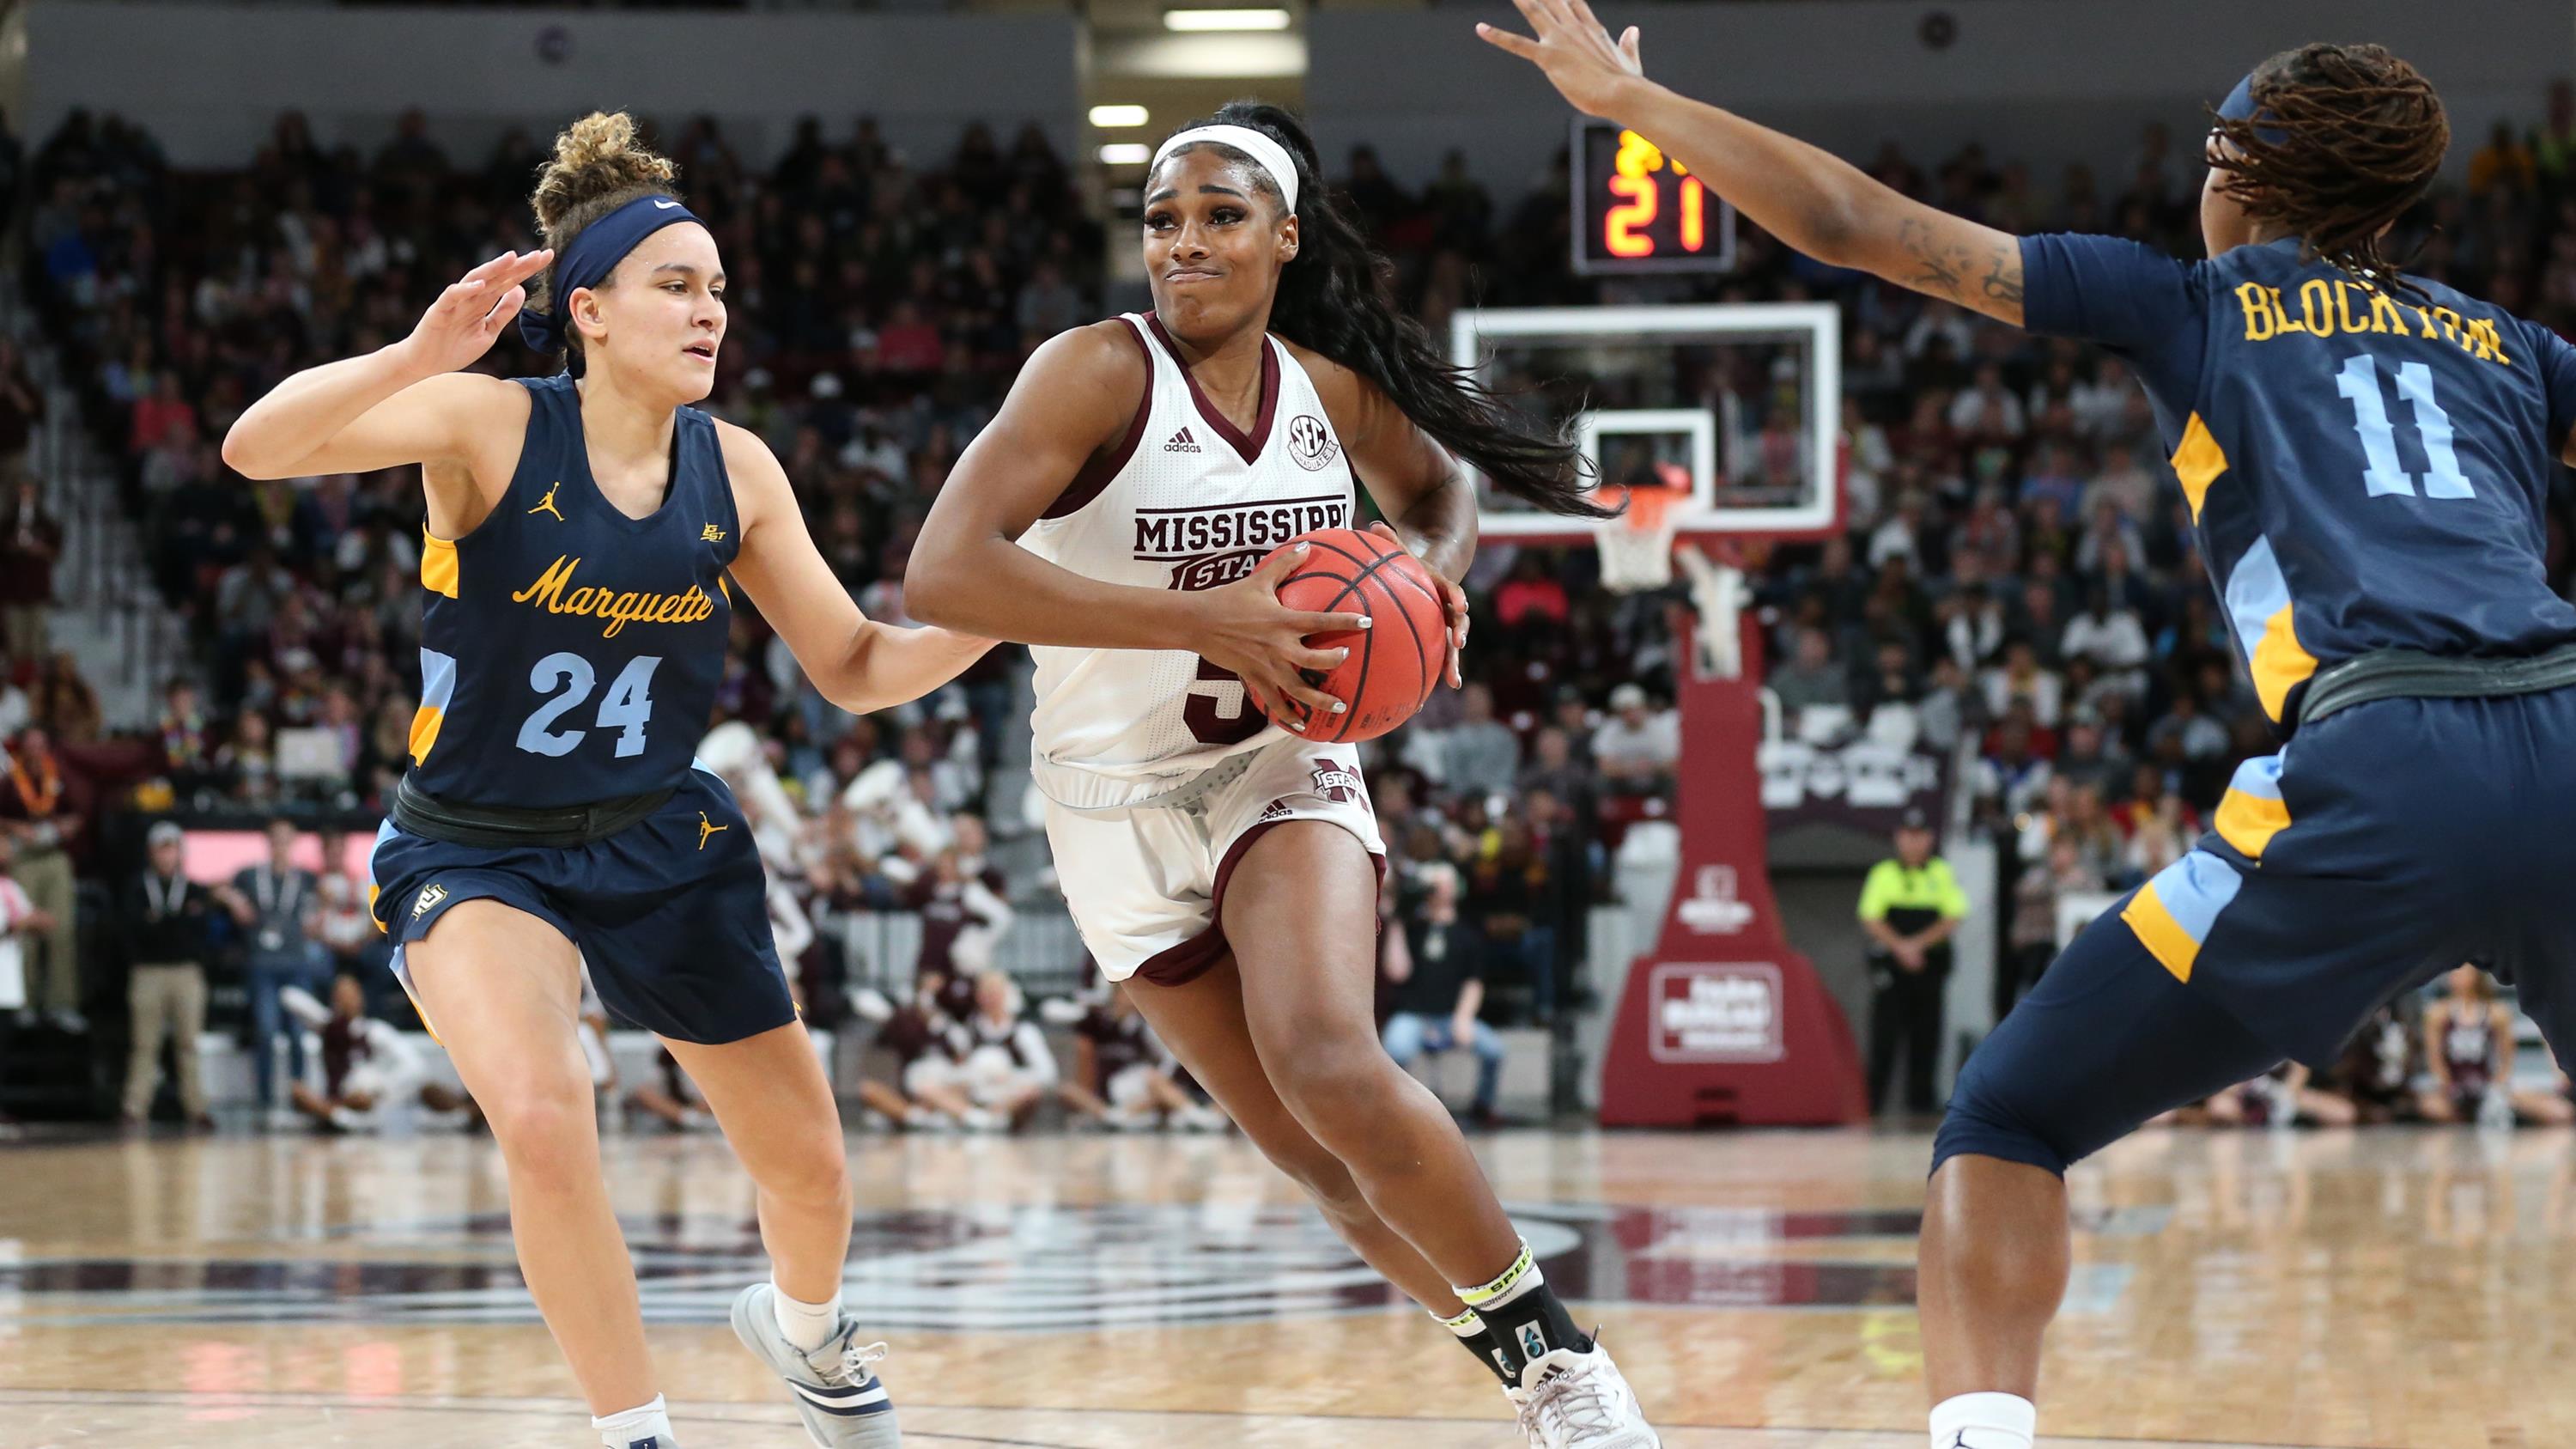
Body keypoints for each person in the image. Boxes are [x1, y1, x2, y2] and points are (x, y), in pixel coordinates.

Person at [1488, 19, 2576, 1449]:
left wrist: (1633, 102)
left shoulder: (2190, 301)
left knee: (2011, 1118)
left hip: (2385, 757)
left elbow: (1854, 223)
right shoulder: (2509, 344)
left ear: (2242, 177)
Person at [219, 112, 991, 1449]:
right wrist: (416, 353)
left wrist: (1007, 612)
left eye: (719, 289)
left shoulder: (736, 466)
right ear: (587, 309)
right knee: (542, 1110)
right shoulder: (488, 423)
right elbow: (255, 449)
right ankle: (634, 1429)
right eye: (676, 285)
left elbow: (858, 664)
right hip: (476, 844)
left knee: (809, 1166)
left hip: (656, 836)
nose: (710, 312)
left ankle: (807, 1332)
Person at [905, 102, 1657, 1444]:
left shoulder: (1326, 390)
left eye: (1221, 216)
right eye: (1163, 220)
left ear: (1285, 238)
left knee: (1328, 1058)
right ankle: (1522, 1361)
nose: (1185, 243)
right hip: (1105, 808)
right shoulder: (1092, 372)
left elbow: (1442, 493)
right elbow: (944, 571)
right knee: (1318, 1158)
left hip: (1279, 765)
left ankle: (1566, 1365)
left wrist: (1429, 575)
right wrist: (1206, 616)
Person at [1858, 808, 1971, 1116]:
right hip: (1892, 966)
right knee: (1884, 1035)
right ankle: (1873, 1105)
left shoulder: (1941, 872)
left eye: (1919, 836)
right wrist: (1901, 947)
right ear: (1898, 838)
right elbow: (1870, 917)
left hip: (1929, 965)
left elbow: (1953, 916)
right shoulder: (1883, 873)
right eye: (1908, 836)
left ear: (1929, 839)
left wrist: (1917, 945)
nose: (1913, 842)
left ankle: (1920, 1104)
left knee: (1927, 1036)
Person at [1381, 862, 1509, 1127]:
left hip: (1451, 1016)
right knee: (1396, 1049)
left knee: (1494, 1050)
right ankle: (1397, 1110)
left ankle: (1483, 1105)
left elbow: (1474, 982)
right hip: (1414, 1015)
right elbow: (1397, 971)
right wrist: (1398, 921)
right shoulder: (1413, 928)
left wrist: (1463, 1017)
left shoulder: (1467, 934)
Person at [282, 973, 479, 1133]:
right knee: (298, 1092)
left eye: (350, 995)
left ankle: (464, 1115)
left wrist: (382, 1091)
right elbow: (289, 996)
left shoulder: (375, 1031)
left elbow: (414, 1066)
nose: (345, 1001)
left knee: (428, 1089)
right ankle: (338, 1117)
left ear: (361, 999)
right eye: (340, 996)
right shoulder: (328, 1027)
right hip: (340, 1098)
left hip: (369, 1098)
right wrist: (329, 1016)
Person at [118, 820, 216, 1129]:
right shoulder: (137, 888)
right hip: (148, 972)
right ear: (151, 853)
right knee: (144, 1044)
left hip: (186, 972)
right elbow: (133, 929)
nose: (166, 856)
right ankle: (135, 1107)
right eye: (161, 849)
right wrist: (175, 922)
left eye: (171, 849)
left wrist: (159, 922)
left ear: (180, 852)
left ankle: (196, 1107)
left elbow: (198, 931)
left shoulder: (194, 889)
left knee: (188, 1043)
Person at [227, 816, 323, 1117]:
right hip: (262, 964)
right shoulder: (250, 875)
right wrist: (234, 901)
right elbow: (219, 888)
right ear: (268, 842)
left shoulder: (305, 878)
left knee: (297, 1033)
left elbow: (321, 905)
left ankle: (300, 1098)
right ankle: (265, 1101)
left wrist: (321, 913)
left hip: (295, 963)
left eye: (286, 840)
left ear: (293, 843)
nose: (281, 846)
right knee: (266, 1031)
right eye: (276, 839)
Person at [2418, 963, 2575, 1126]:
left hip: (2489, 1087)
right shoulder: (2438, 1014)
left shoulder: (2497, 1013)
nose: (2459, 977)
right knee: (2429, 1106)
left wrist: (2496, 1087)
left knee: (2560, 1113)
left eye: (2465, 973)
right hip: (2454, 1089)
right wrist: (2448, 1086)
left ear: (2478, 976)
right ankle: (2471, 1117)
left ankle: (2495, 1114)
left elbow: (2506, 1060)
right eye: (2456, 973)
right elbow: (2435, 1059)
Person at [1059, 983, 1226, 1130]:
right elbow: (1085, 1069)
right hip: (1113, 1087)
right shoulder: (1098, 1024)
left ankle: (1194, 1116)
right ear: (1116, 995)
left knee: (1156, 1082)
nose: (1130, 999)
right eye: (1125, 993)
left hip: (1136, 1082)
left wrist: (1162, 1079)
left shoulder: (1142, 1025)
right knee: (1067, 1090)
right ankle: (1115, 1117)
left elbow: (1165, 1058)